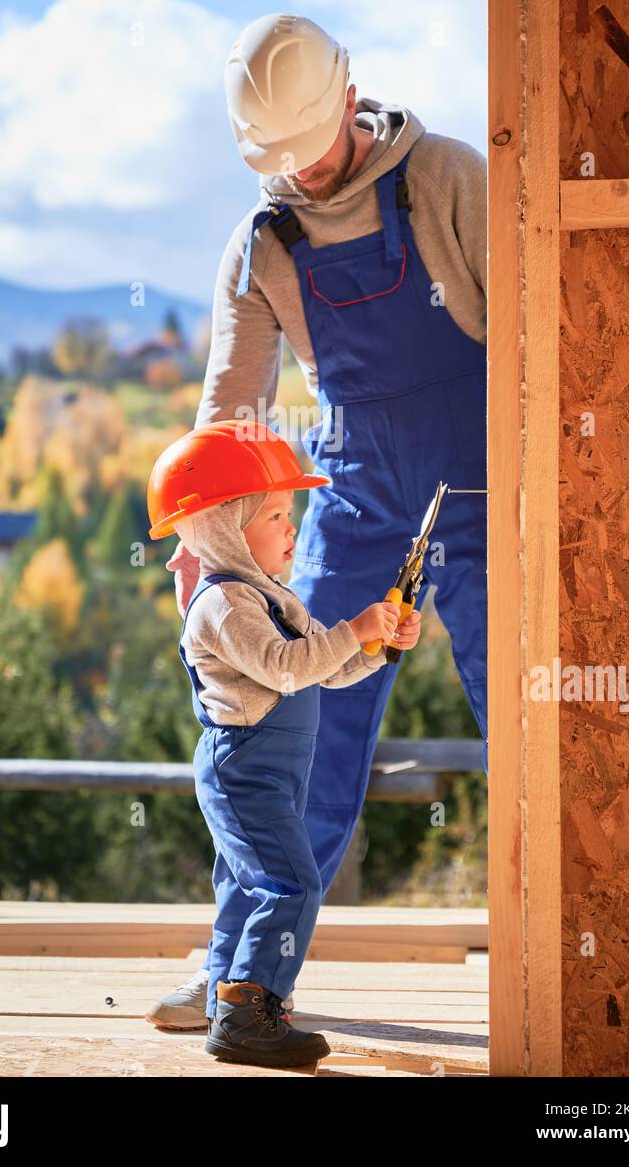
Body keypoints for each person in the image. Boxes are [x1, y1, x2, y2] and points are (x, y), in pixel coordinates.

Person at [156, 11, 487, 1028]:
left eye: (316, 153)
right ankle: (239, 978)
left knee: (530, 722)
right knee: (292, 719)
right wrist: (207, 549)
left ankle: (589, 958)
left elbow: (537, 322)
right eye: (282, 164)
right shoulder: (264, 241)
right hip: (353, 495)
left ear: (352, 98)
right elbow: (230, 414)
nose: (303, 176)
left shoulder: (444, 178)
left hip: (483, 477)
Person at [145, 419, 420, 1067]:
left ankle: (235, 999)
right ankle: (250, 1013)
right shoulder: (224, 606)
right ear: (224, 528)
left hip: (272, 773)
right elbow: (288, 668)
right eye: (274, 514)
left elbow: (325, 664)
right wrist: (353, 628)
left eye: (290, 513)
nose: (291, 528)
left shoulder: (270, 597)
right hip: (244, 773)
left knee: (259, 886)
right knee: (290, 884)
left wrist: (376, 647)